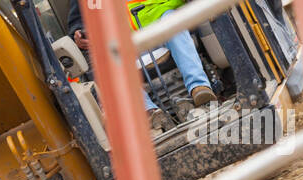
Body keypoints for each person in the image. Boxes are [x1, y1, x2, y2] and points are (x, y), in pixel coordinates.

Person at [65, 0, 214, 131]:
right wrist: (78, 35)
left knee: (172, 21)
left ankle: (199, 88)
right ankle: (150, 112)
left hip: (159, 23)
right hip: (123, 43)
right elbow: (77, 23)